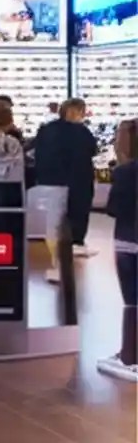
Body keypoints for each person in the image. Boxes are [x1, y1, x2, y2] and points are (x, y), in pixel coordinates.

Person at [34, 98, 99, 257]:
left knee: (55, 216)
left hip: (50, 180)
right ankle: (76, 243)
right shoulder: (81, 131)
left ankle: (55, 248)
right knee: (78, 211)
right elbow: (93, 150)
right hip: (78, 179)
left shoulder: (47, 129)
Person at [101, 119, 137, 378]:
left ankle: (130, 356)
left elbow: (114, 209)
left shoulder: (125, 173)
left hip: (129, 241)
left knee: (133, 300)